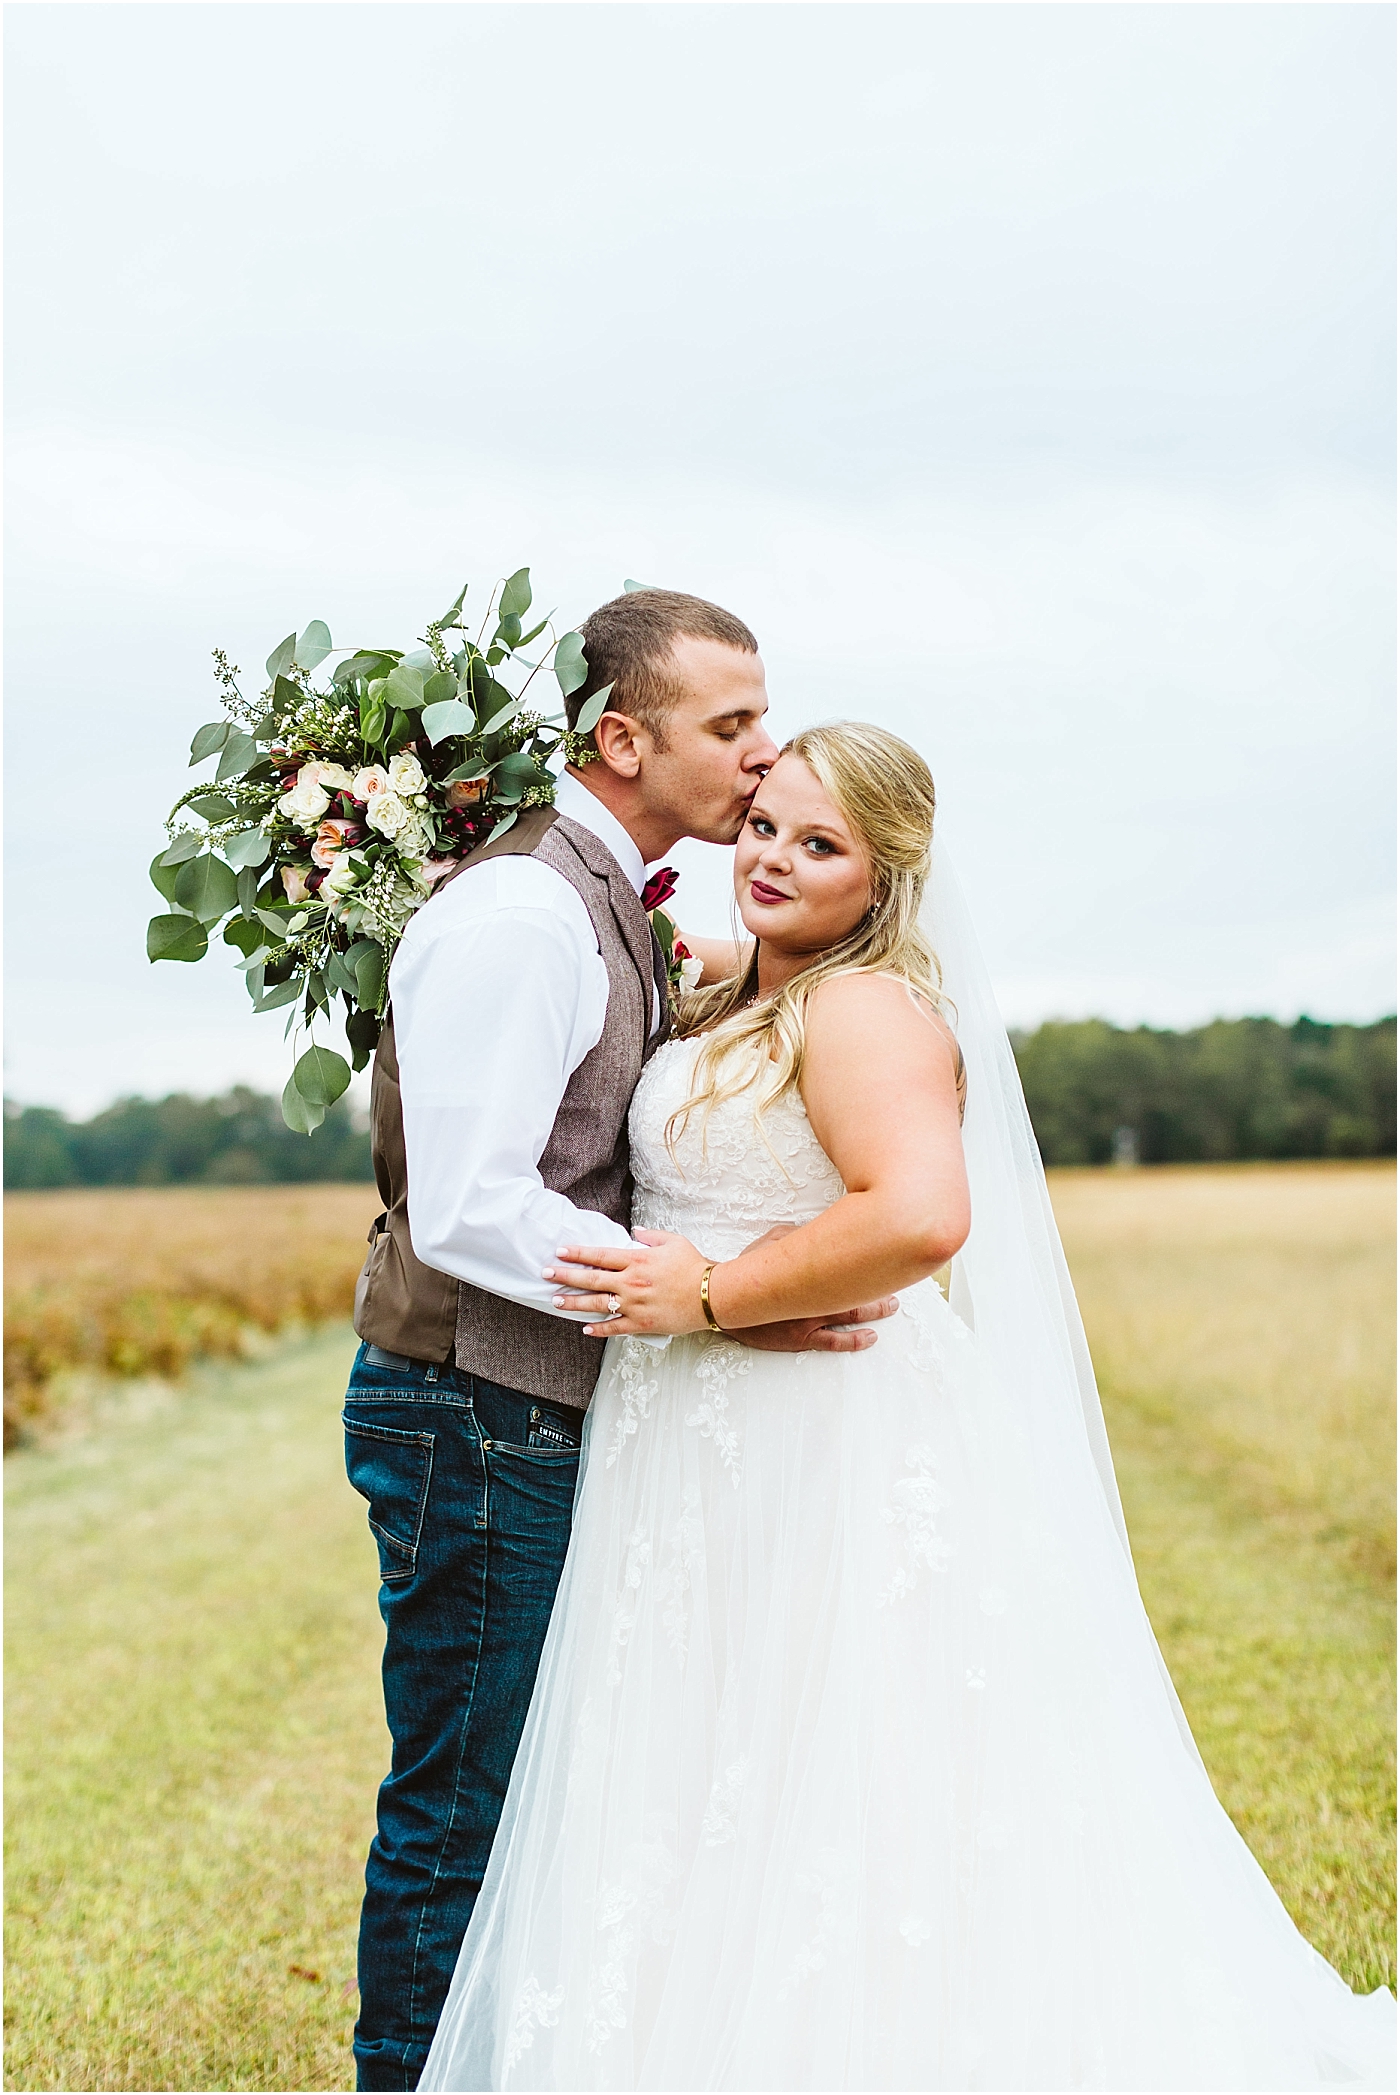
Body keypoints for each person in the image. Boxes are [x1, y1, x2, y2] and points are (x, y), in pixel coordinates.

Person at [418, 722, 1395, 2092]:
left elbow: (925, 1213)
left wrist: (713, 1295)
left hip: (818, 1435)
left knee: (839, 1760)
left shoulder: (860, 1009)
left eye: (822, 847)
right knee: (713, 1755)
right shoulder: (734, 989)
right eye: (765, 827)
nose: (773, 860)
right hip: (693, 1444)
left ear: (881, 883)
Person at [342, 593, 900, 2092]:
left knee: (533, 1795)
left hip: (523, 1403)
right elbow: (468, 1208)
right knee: (467, 1804)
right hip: (472, 1403)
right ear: (621, 736)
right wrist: (707, 1290)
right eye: (731, 726)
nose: (762, 750)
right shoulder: (526, 911)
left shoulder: (608, 896)